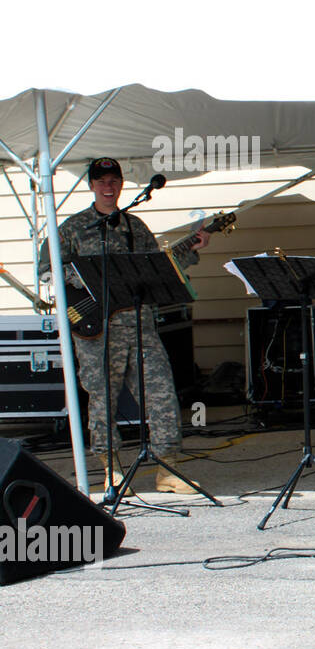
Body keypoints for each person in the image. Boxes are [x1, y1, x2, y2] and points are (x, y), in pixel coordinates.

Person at [39, 157, 208, 494]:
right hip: (97, 331)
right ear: (91, 185)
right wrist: (86, 281)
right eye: (101, 180)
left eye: (114, 179)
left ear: (120, 184)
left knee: (162, 394)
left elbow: (159, 268)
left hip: (140, 328)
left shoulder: (135, 227)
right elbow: (48, 270)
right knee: (102, 400)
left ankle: (167, 470)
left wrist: (191, 249)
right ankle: (111, 470)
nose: (108, 186)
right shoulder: (73, 228)